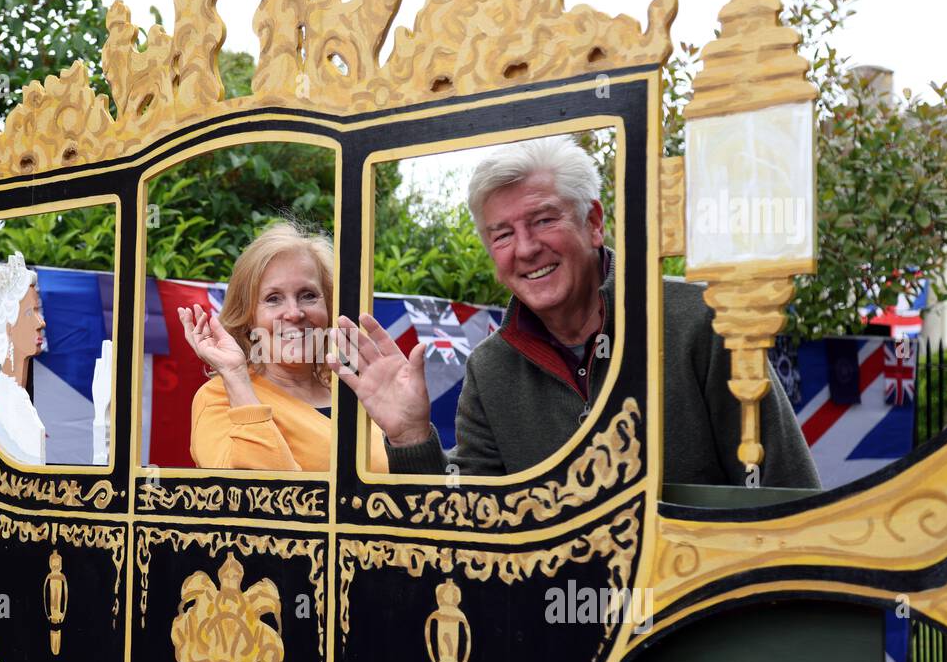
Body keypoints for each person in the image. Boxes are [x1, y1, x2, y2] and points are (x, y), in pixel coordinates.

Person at [329, 135, 820, 488]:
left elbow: (786, 491)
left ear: (594, 224)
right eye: (502, 234)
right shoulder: (491, 369)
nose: (525, 248)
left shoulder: (701, 320)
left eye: (544, 220)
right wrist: (412, 435)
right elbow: (467, 530)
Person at [179, 224, 389, 472]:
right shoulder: (218, 398)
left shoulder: (354, 389)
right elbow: (257, 496)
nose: (294, 313)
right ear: (248, 317)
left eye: (308, 295)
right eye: (273, 299)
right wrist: (236, 378)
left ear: (329, 307)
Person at [0, 252, 48, 465]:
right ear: (8, 327)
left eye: (39, 311)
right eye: (30, 313)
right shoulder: (6, 407)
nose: (41, 322)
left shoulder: (16, 399)